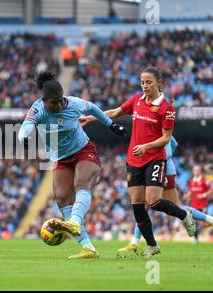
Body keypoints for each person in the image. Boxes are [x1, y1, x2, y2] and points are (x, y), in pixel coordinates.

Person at [80, 67, 196, 258]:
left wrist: (146, 146)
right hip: (134, 159)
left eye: (149, 82)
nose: (145, 86)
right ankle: (152, 245)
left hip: (155, 158)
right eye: (142, 82)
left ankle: (184, 215)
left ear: (159, 82)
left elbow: (166, 138)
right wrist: (91, 118)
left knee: (154, 201)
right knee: (137, 204)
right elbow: (116, 112)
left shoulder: (167, 108)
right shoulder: (136, 100)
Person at [18, 71, 127, 259]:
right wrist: (24, 138)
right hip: (61, 158)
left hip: (84, 150)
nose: (59, 104)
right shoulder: (38, 110)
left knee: (82, 184)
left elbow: (92, 108)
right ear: (44, 100)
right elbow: (26, 126)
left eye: (61, 100)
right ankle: (88, 248)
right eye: (54, 102)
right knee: (61, 198)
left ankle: (75, 221)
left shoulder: (73, 103)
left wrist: (111, 125)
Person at [117, 137, 213, 256]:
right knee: (143, 205)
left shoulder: (160, 126)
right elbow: (173, 143)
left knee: (175, 206)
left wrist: (164, 159)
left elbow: (171, 144)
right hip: (151, 168)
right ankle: (135, 242)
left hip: (163, 169)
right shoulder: (149, 126)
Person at [184, 165, 213, 242]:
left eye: (197, 170)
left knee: (203, 224)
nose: (196, 171)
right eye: (195, 170)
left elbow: (210, 190)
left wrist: (203, 195)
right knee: (192, 223)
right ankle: (196, 239)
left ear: (200, 171)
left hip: (202, 205)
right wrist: (187, 195)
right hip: (193, 206)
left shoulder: (204, 180)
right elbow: (191, 191)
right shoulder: (191, 181)